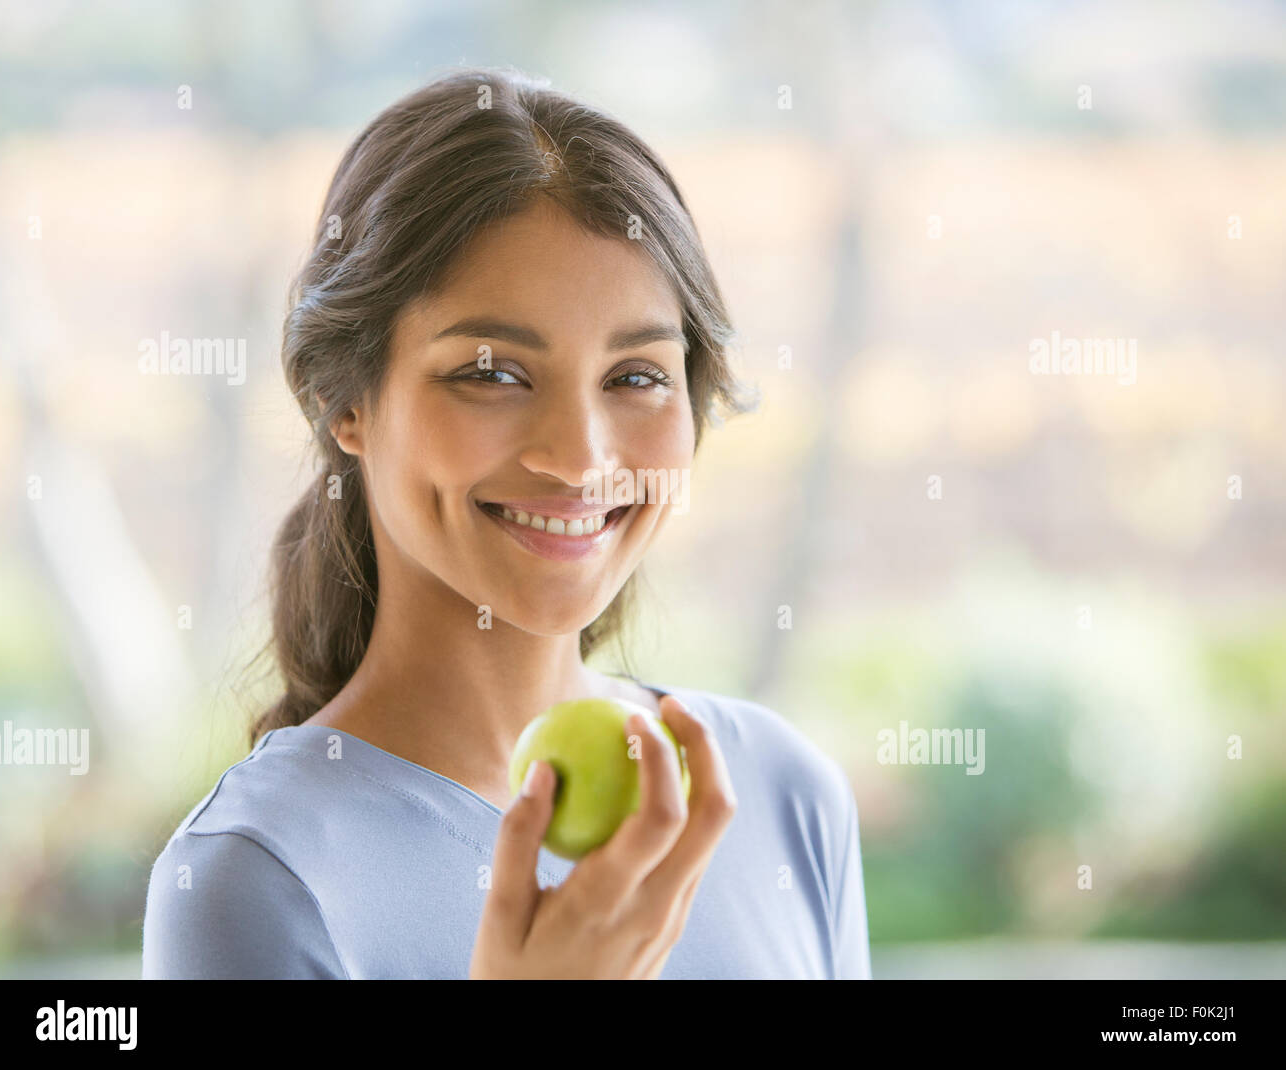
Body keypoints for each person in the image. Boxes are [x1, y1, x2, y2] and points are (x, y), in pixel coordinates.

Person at [141, 65, 871, 979]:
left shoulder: (778, 794)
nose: (580, 457)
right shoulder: (254, 881)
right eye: (492, 373)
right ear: (344, 399)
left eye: (637, 377)